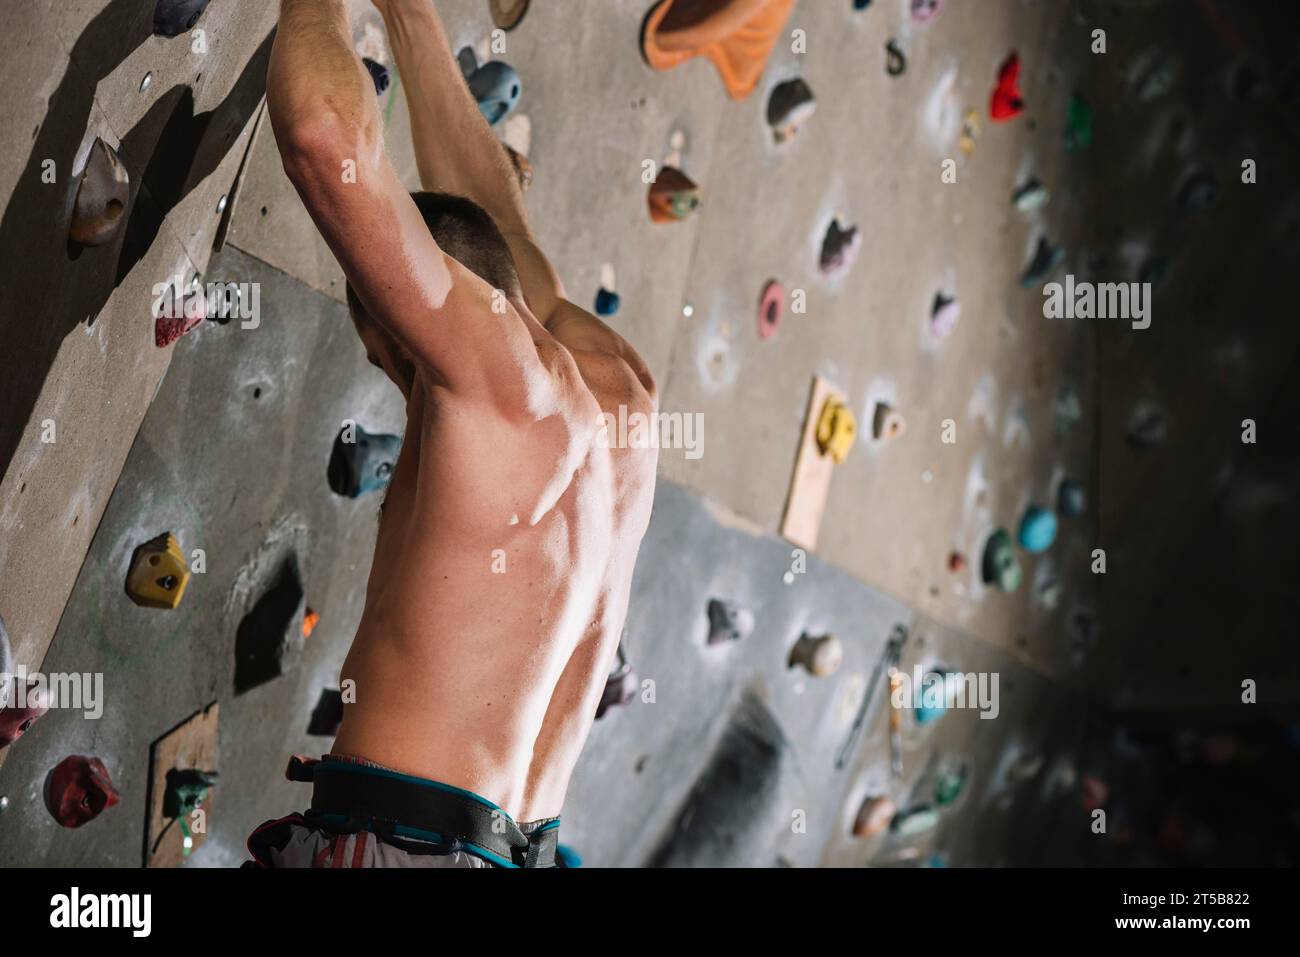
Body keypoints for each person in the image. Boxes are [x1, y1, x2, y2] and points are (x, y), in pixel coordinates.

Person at [247, 0, 658, 868]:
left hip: (408, 847)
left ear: (408, 335)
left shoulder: (492, 388)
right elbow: (491, 233)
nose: (392, 376)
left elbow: (325, 138)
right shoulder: (620, 396)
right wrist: (409, 17)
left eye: (383, 356)